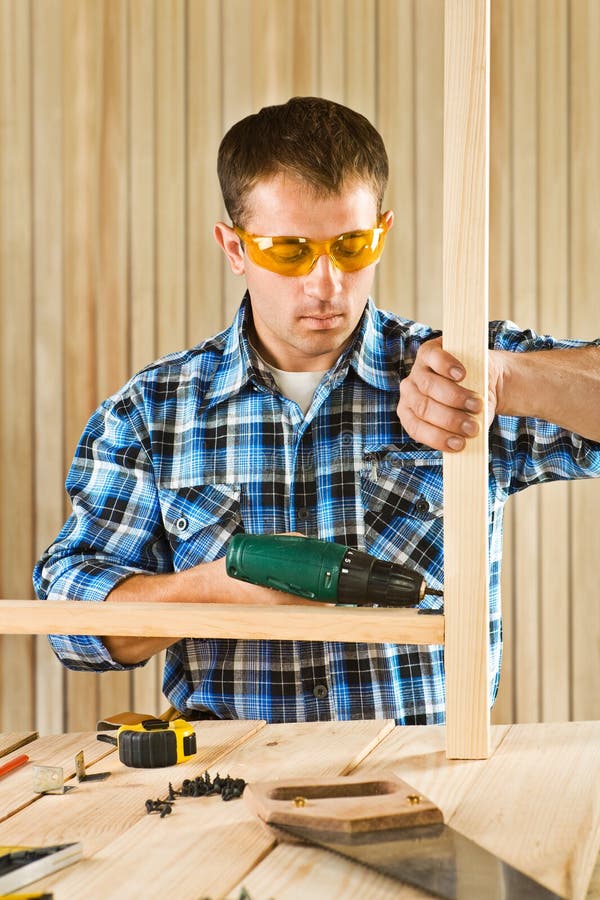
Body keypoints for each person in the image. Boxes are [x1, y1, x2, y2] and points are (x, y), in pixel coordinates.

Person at [33, 96, 600, 725]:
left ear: (382, 230)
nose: (326, 284)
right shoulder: (154, 410)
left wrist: (506, 377)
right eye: (289, 250)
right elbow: (70, 621)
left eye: (352, 246)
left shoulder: (459, 371)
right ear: (235, 248)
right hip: (234, 771)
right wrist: (212, 592)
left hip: (426, 768)